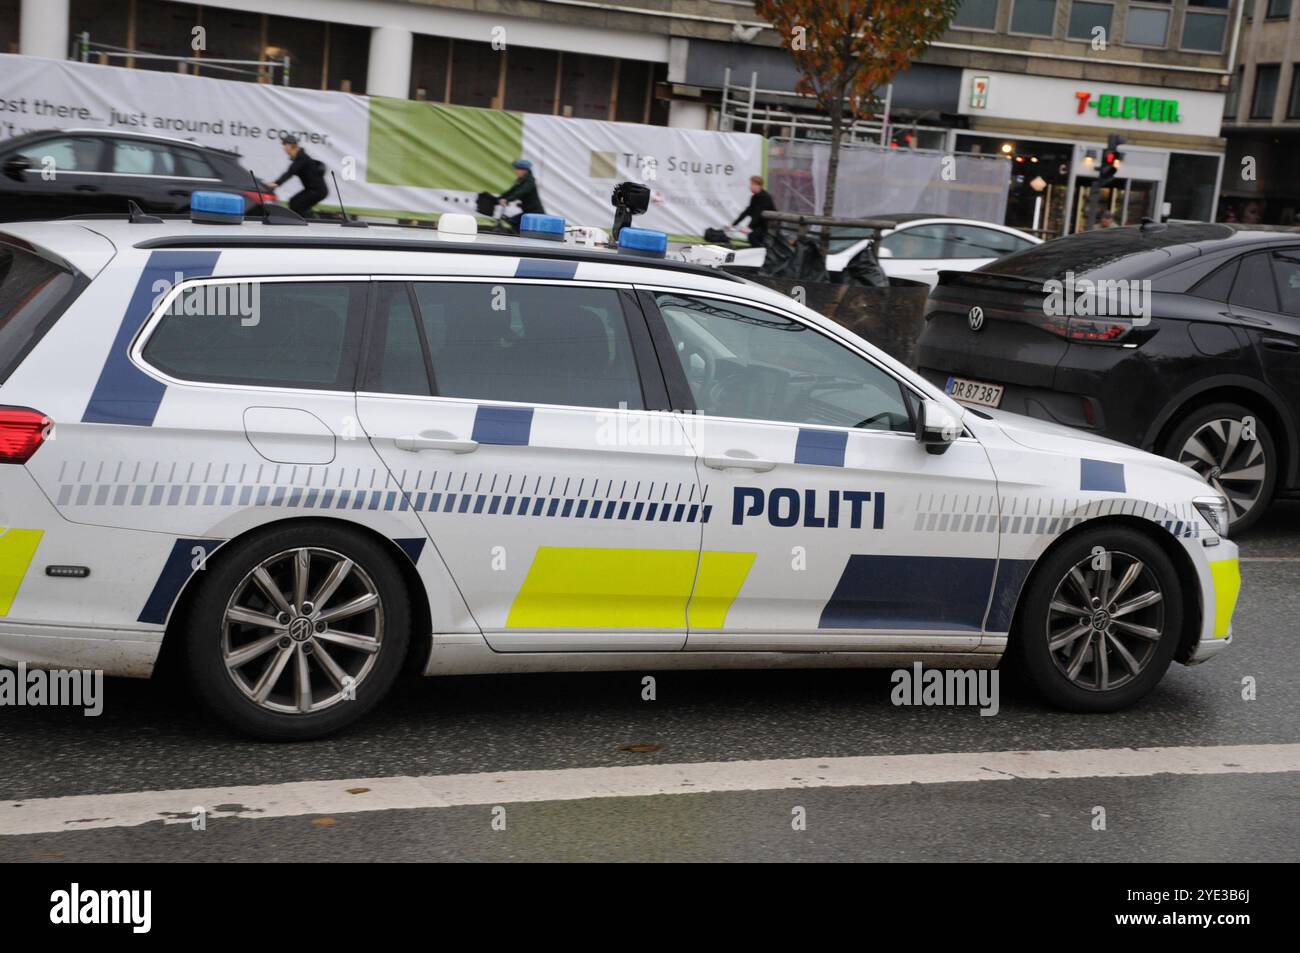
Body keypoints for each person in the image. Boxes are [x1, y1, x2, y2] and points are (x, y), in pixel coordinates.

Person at [263, 134, 328, 217]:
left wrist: (277, 183)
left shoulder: (302, 158)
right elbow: (290, 172)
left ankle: (314, 220)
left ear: (291, 145)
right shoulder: (300, 157)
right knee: (293, 202)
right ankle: (311, 218)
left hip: (318, 191)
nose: (283, 147)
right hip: (313, 190)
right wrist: (276, 183)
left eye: (285, 144)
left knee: (297, 205)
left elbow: (290, 172)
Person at [498, 159, 544, 232]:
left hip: (535, 214)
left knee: (513, 223)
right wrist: (500, 198)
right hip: (527, 213)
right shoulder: (521, 180)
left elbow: (521, 192)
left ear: (524, 170)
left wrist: (507, 200)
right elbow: (512, 191)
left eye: (517, 169)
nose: (515, 171)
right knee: (511, 222)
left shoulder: (530, 181)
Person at [733, 175, 776, 246]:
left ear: (758, 186)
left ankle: (762, 252)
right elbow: (747, 211)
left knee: (752, 236)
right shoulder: (754, 197)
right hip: (760, 225)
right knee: (752, 236)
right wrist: (734, 224)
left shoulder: (764, 197)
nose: (750, 186)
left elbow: (758, 213)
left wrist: (749, 227)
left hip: (768, 227)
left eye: (752, 184)